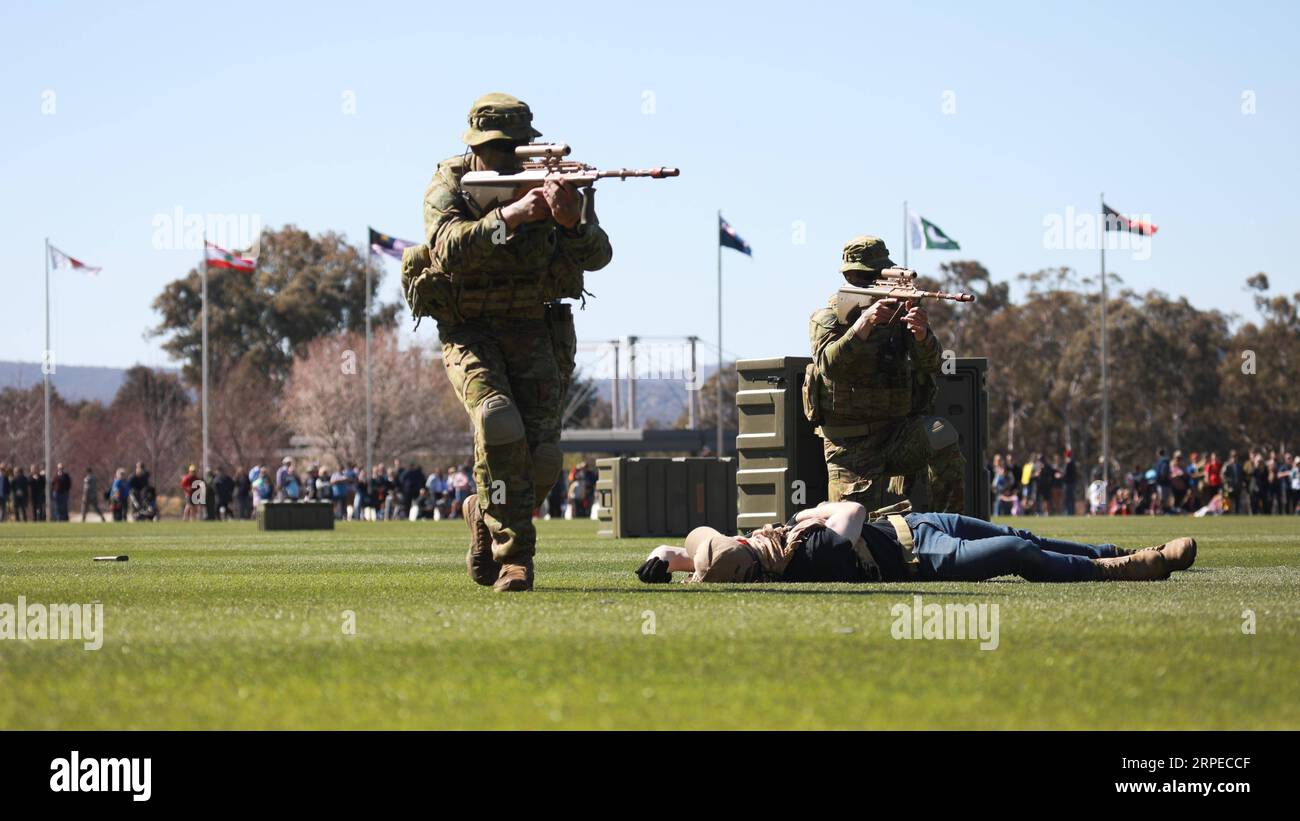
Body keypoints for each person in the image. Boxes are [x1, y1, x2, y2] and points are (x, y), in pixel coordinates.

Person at [409, 92, 613, 592]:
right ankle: (515, 558)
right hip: (470, 329)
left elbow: (599, 256)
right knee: (497, 419)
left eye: (518, 147)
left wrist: (572, 221)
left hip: (534, 325)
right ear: (475, 147)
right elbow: (449, 249)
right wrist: (514, 214)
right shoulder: (451, 184)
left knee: (542, 461)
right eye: (498, 148)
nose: (508, 157)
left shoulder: (558, 181)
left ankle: (484, 510)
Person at [634, 500, 1196, 585]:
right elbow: (850, 507)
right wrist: (813, 511)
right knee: (1018, 554)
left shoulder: (758, 554)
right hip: (926, 556)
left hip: (919, 522)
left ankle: (1110, 550)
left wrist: (663, 561)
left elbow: (686, 556)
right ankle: (1125, 568)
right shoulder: (812, 555)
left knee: (1020, 533)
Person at [806, 236, 965, 513]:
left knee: (941, 434)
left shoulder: (898, 316)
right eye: (868, 277)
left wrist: (922, 335)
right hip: (849, 447)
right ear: (852, 277)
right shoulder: (828, 318)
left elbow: (932, 365)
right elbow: (830, 365)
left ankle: (948, 528)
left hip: (896, 435)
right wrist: (863, 324)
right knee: (852, 528)